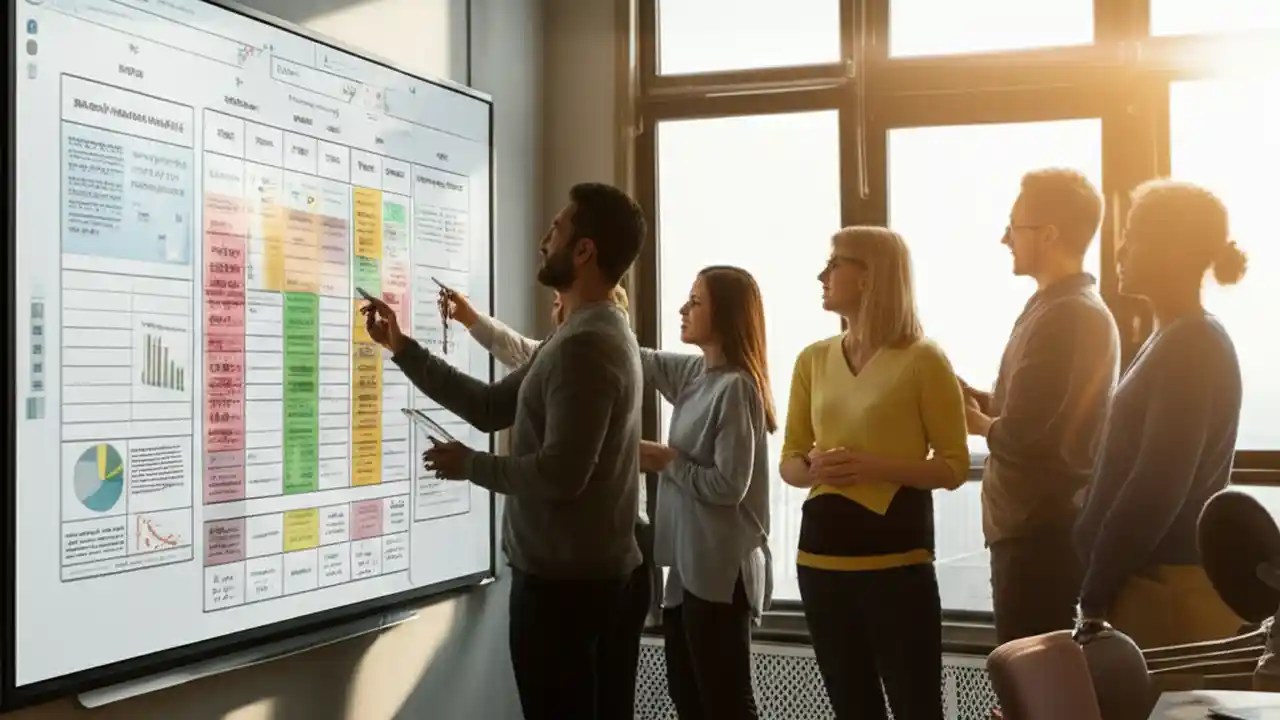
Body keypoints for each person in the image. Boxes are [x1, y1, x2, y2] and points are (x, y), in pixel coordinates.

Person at [363, 182, 646, 719]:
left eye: (556, 229)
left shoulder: (588, 344)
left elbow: (562, 476)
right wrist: (402, 347)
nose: (544, 240)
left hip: (567, 593)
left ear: (584, 250)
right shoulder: (584, 334)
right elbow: (491, 408)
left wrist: (471, 465)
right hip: (581, 583)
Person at [436, 282, 654, 719]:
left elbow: (554, 470)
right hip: (617, 558)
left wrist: (472, 465)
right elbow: (518, 351)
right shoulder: (591, 347)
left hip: (589, 562)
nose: (557, 310)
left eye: (562, 302)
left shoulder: (587, 351)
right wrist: (470, 319)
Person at [779, 227, 969, 720]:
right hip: (820, 561)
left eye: (835, 263)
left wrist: (875, 466)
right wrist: (812, 467)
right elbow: (790, 462)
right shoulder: (812, 358)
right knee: (852, 708)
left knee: (916, 706)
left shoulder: (925, 359)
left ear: (869, 278)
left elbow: (953, 466)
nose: (823, 275)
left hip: (897, 564)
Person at [1074, 179, 1248, 649]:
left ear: (1171, 249)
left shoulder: (1191, 344)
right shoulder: (1172, 338)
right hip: (1148, 582)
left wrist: (1094, 593)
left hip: (1165, 592)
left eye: (1133, 235)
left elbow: (1157, 484)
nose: (1121, 250)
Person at [962, 169, 1121, 644]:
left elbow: (1026, 435)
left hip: (1038, 533)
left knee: (1033, 683)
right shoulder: (1054, 306)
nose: (1005, 237)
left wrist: (974, 422)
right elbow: (1038, 408)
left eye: (1015, 225)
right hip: (1032, 529)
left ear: (1049, 233)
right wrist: (982, 399)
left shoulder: (1067, 314)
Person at [637, 266, 774, 719]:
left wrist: (666, 461)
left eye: (695, 301)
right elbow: (632, 356)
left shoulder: (736, 388)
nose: (683, 308)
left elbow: (727, 485)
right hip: (690, 567)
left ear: (726, 313)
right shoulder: (695, 372)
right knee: (690, 696)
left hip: (720, 574)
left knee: (725, 703)